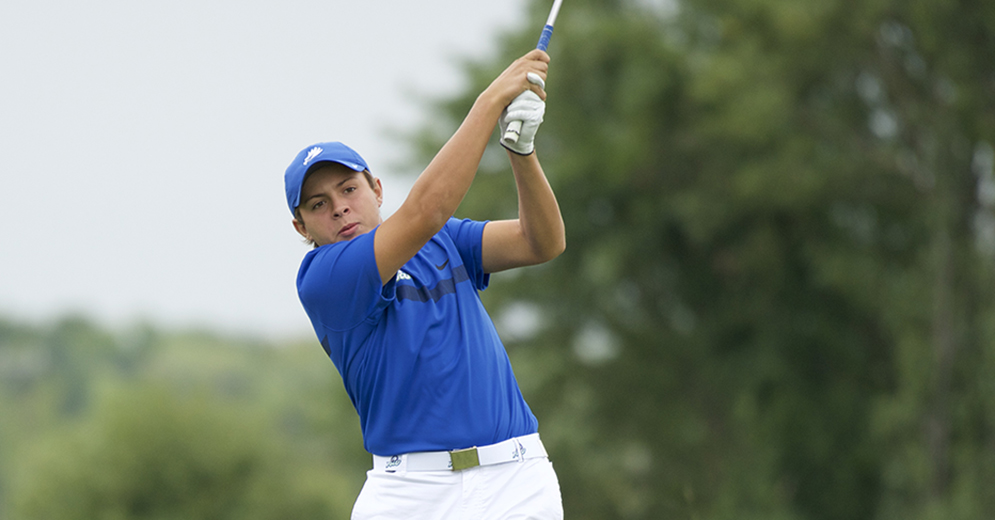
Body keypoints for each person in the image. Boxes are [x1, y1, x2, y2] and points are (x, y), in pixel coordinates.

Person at [283, 49, 564, 519]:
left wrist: (522, 153)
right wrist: (493, 99)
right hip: (409, 493)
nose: (339, 208)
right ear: (302, 229)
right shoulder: (324, 279)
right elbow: (426, 209)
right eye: (317, 204)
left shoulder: (442, 240)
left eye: (348, 189)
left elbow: (541, 242)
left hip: (515, 478)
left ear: (375, 188)